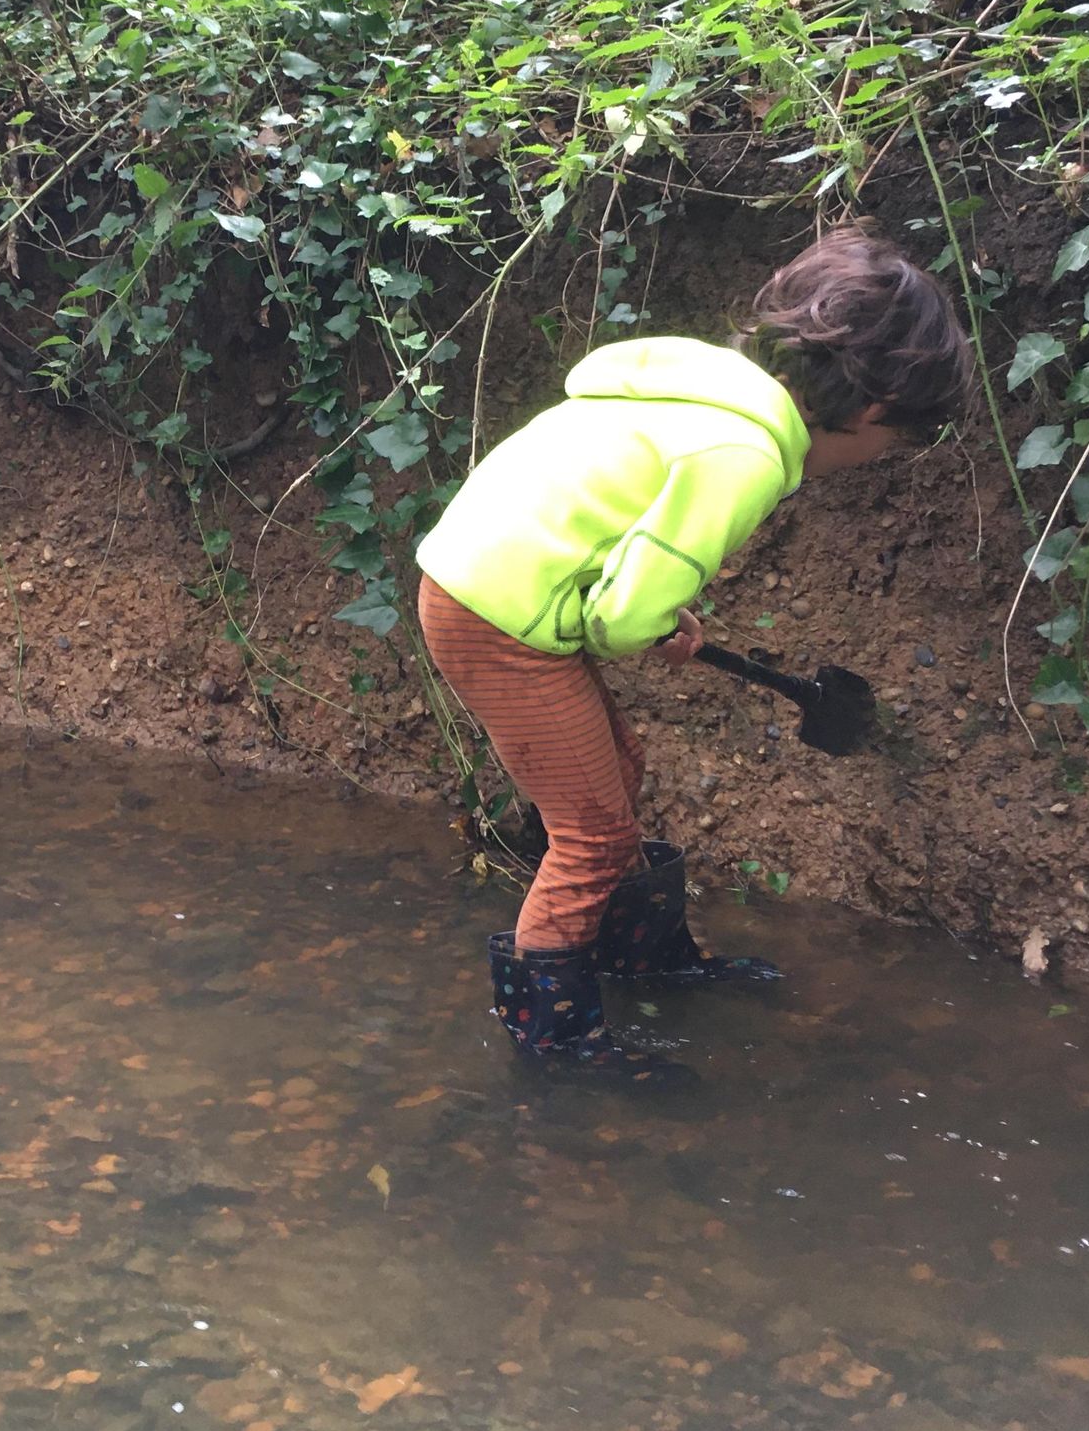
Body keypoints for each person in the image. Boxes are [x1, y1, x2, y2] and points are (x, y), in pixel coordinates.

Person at [414, 225, 974, 1063]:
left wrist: (647, 611)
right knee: (591, 835)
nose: (873, 461)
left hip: (487, 588)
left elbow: (610, 536)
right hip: (501, 618)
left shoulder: (700, 395)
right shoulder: (744, 452)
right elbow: (623, 618)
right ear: (869, 411)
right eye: (889, 445)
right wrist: (647, 621)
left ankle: (645, 959)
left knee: (621, 774)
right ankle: (554, 1040)